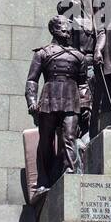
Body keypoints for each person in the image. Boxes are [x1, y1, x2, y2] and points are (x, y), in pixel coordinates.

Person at [25, 15, 88, 194]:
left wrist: (86, 105)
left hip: (71, 98)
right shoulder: (42, 53)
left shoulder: (78, 56)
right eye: (62, 26)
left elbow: (83, 83)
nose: (67, 30)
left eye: (69, 27)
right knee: (46, 140)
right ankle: (43, 180)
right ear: (53, 29)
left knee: (69, 137)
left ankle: (70, 173)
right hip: (49, 98)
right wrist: (31, 101)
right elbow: (32, 80)